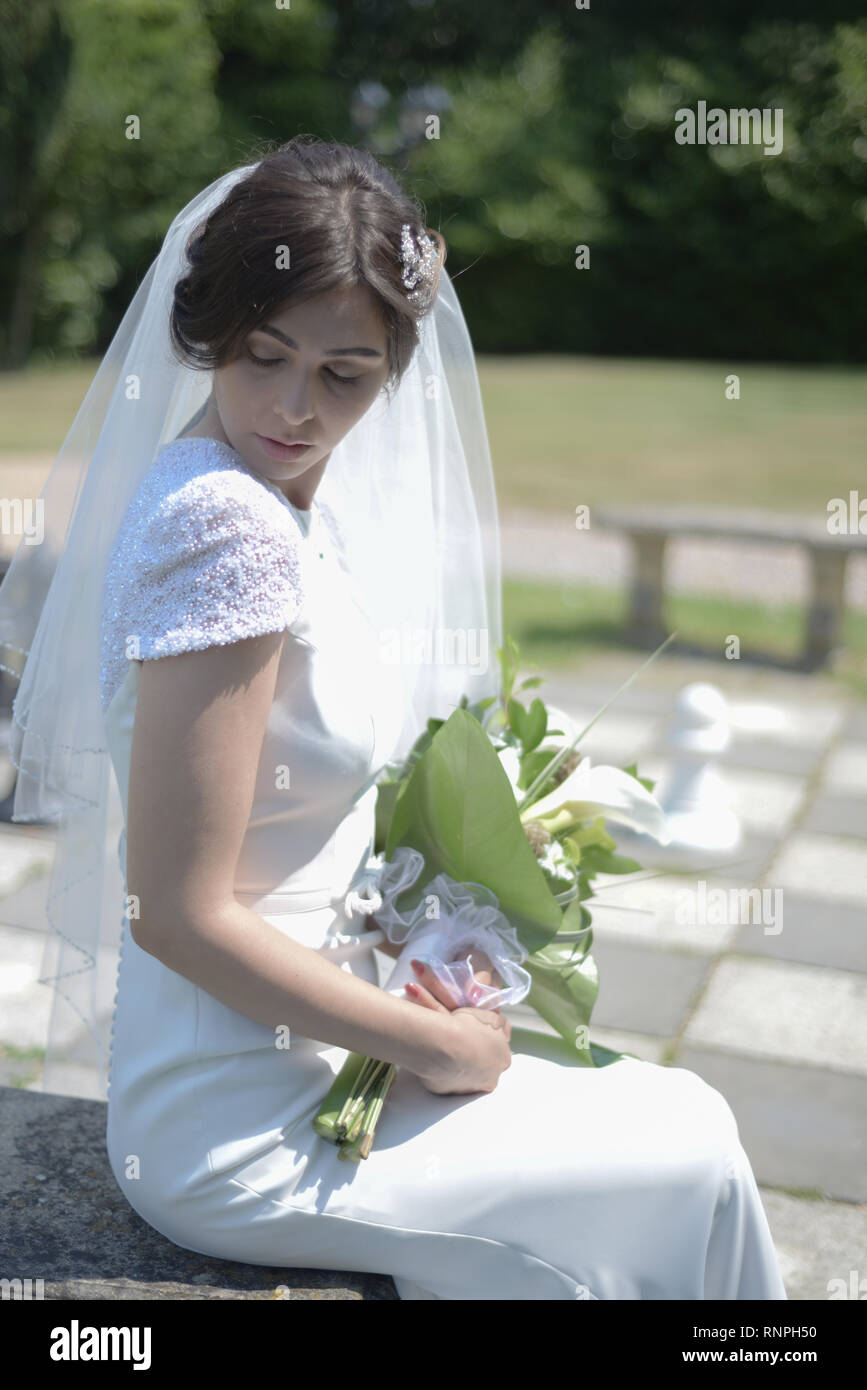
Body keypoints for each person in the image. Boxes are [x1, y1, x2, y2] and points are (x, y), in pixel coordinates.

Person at [0, 136, 787, 1300]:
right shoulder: (227, 528)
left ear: (391, 370)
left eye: (345, 374)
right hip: (237, 1119)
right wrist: (429, 1040)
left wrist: (417, 956)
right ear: (208, 328)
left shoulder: (265, 497)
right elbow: (176, 913)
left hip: (323, 1042)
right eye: (265, 355)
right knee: (689, 1163)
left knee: (690, 1116)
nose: (295, 407)